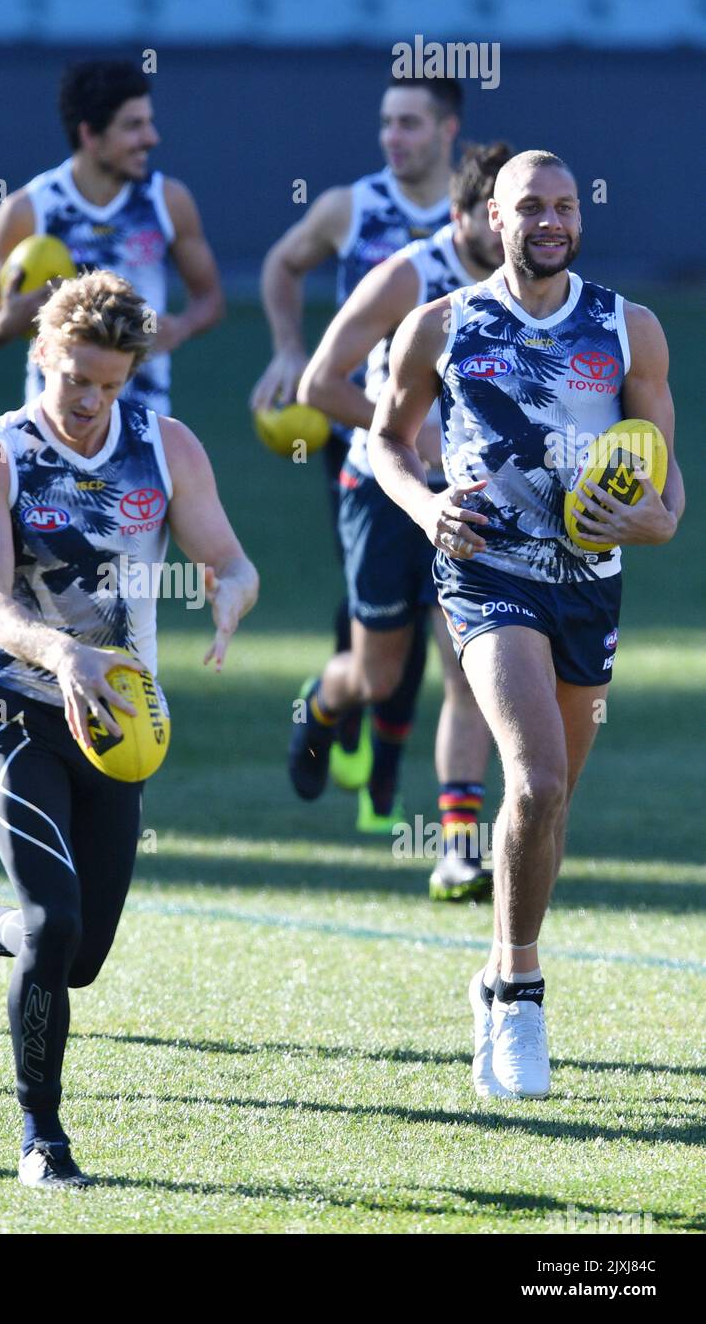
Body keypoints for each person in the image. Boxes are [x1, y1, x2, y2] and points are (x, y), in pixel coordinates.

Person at [368, 150, 683, 1097]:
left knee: (549, 806)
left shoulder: (630, 329)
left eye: (564, 206)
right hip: (485, 577)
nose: (549, 221)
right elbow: (383, 440)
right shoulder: (440, 325)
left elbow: (666, 484)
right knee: (536, 775)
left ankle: (498, 967)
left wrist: (655, 520)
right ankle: (518, 993)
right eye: (528, 208)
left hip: (590, 584)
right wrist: (427, 509)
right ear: (490, 220)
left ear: (578, 221)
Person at [0, 270, 257, 1187]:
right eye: (76, 378)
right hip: (18, 714)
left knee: (77, 958)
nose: (89, 402)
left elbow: (229, 557)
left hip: (122, 726)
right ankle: (42, 1138)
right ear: (42, 352)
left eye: (110, 385)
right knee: (53, 922)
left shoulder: (166, 447)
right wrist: (62, 654)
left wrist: (232, 593)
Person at [288, 143, 511, 900]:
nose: (510, 239)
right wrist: (406, 437)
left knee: (467, 663)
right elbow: (319, 383)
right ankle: (322, 702)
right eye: (494, 224)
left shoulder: (529, 288)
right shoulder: (409, 277)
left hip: (470, 500)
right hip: (382, 491)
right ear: (460, 219)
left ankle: (456, 850)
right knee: (378, 674)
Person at [251, 74, 462, 824]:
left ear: (447, 130)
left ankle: (408, 798)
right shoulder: (352, 206)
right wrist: (286, 350)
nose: (391, 137)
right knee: (380, 649)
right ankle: (328, 707)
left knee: (455, 642)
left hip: (460, 472)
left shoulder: (481, 220)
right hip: (363, 454)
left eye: (408, 123)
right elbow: (282, 263)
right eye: (385, 123)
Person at [0, 59, 224, 416]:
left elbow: (210, 298)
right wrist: (9, 322)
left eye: (149, 123)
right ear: (90, 134)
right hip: (53, 428)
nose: (151, 138)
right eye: (134, 126)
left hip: (144, 423)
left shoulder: (169, 201)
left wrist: (179, 328)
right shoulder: (26, 211)